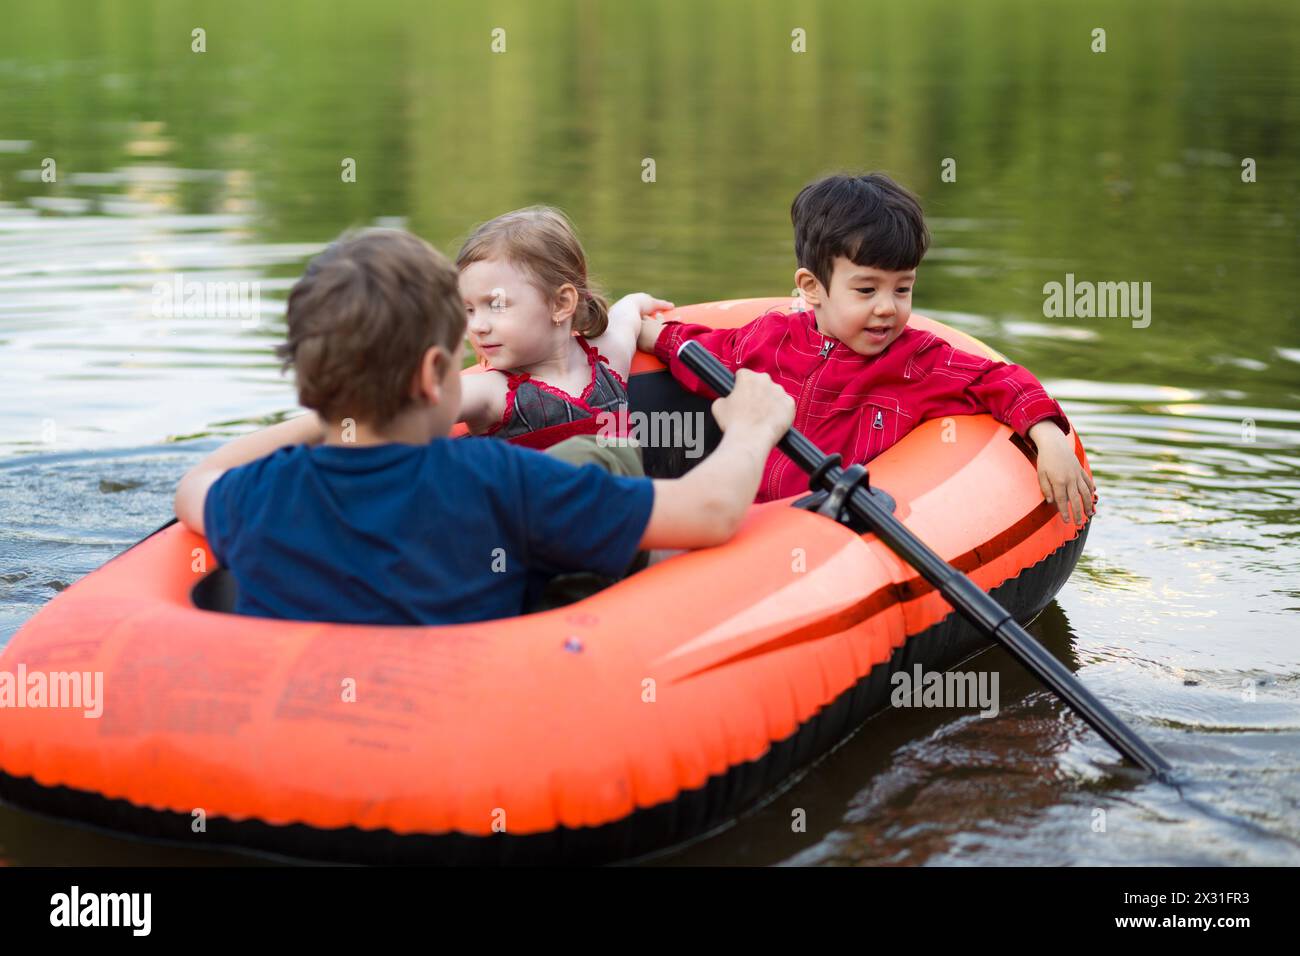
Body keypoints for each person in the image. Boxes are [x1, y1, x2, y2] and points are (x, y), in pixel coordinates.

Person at [173, 229, 794, 625]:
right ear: (435, 372)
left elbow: (198, 480)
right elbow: (712, 511)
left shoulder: (258, 494)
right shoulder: (503, 481)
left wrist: (337, 407)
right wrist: (750, 427)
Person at [638, 172, 1097, 523]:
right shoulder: (770, 340)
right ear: (812, 287)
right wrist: (642, 332)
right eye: (866, 290)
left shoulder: (917, 362)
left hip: (832, 537)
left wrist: (1048, 435)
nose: (887, 309)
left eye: (902, 289)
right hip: (748, 523)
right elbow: (702, 353)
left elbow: (997, 379)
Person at [455, 206, 672, 476]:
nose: (477, 326)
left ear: (561, 303)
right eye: (469, 310)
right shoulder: (492, 392)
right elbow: (419, 404)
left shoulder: (608, 358)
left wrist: (642, 302)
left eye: (496, 305)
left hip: (627, 512)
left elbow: (626, 313)